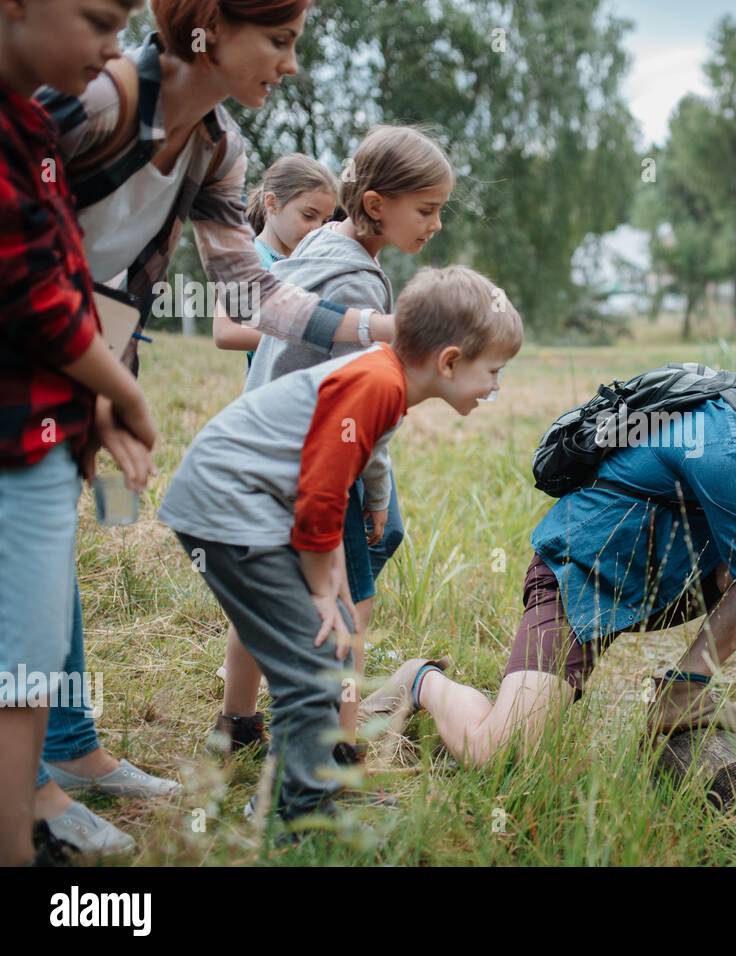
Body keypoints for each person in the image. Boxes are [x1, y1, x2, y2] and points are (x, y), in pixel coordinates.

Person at [31, 0, 397, 853]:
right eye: (277, 41)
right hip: (40, 343)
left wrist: (378, 330)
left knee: (45, 546)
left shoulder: (216, 147)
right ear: (208, 30)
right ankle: (34, 793)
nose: (291, 63)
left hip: (84, 355)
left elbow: (250, 296)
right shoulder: (95, 102)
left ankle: (71, 748)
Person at [364, 333, 736, 769]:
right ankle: (420, 682)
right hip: (581, 584)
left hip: (661, 578)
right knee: (502, 754)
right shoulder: (724, 443)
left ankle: (681, 695)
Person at [158, 266, 521, 822]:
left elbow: (336, 480)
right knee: (317, 658)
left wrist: (331, 590)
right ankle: (297, 811)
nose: (495, 386)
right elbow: (323, 491)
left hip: (242, 506)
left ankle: (311, 785)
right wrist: (324, 586)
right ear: (449, 361)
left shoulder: (386, 382)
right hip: (228, 508)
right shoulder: (377, 383)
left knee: (337, 637)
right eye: (493, 371)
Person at [214, 125, 455, 762]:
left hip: (264, 454)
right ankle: (334, 744)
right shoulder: (358, 287)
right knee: (350, 603)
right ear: (376, 204)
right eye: (426, 210)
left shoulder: (321, 242)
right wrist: (375, 493)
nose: (435, 225)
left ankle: (236, 721)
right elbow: (363, 411)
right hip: (318, 466)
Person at [0, 0, 157, 866]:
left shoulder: (35, 125)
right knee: (16, 663)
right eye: (99, 17)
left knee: (25, 662)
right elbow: (29, 295)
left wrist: (93, 400)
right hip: (16, 441)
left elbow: (58, 279)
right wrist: (119, 390)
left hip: (46, 430)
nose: (113, 47)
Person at [212, 152, 339, 366]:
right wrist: (303, 338)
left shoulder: (312, 260)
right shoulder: (247, 259)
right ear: (272, 203)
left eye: (325, 220)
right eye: (308, 216)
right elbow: (224, 332)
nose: (317, 228)